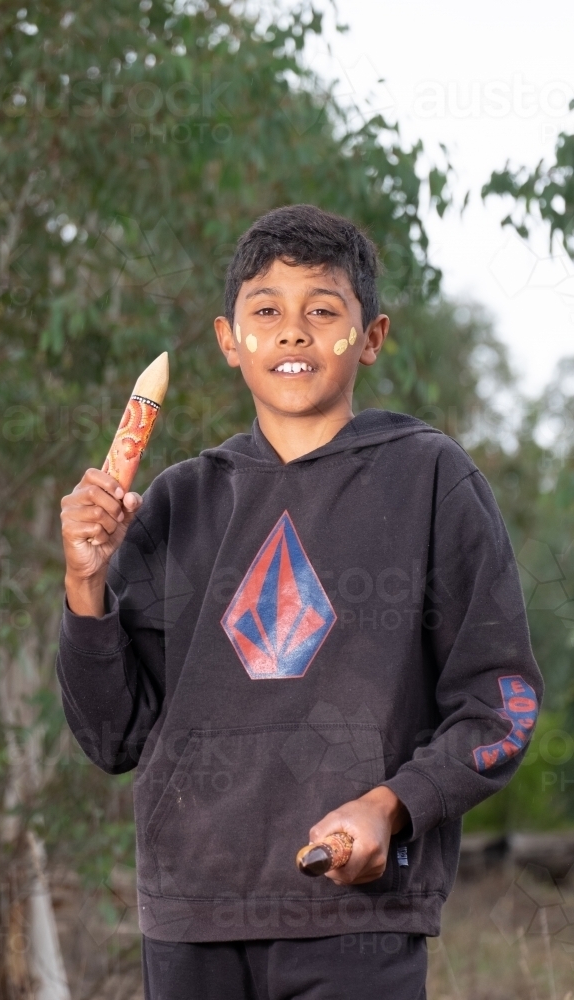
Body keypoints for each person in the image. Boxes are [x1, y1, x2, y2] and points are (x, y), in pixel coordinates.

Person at [58, 204, 543, 999]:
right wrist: (85, 586)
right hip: (192, 918)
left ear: (372, 336)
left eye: (323, 310)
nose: (292, 333)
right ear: (228, 341)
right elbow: (112, 736)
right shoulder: (176, 502)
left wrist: (391, 808)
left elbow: (502, 707)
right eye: (266, 312)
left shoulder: (428, 480)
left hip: (354, 917)